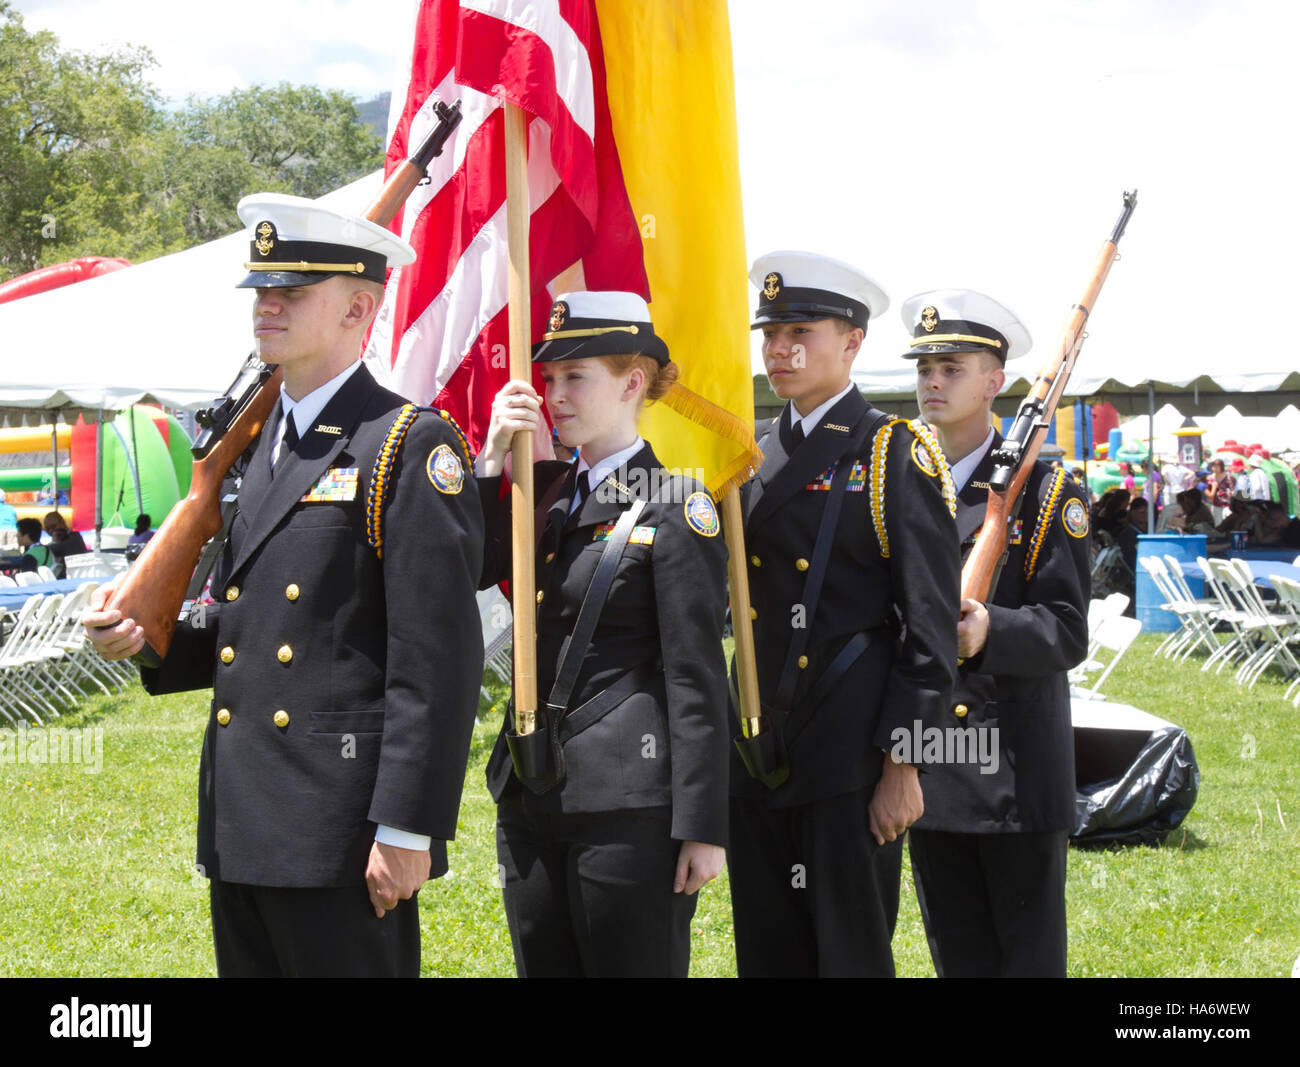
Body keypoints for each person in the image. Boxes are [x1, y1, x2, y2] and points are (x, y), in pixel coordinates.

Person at [82, 192, 485, 977]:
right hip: (246, 821)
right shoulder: (258, 449)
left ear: (358, 308)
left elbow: (435, 658)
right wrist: (147, 634)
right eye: (262, 289)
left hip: (338, 834)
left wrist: (408, 828)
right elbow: (249, 617)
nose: (267, 305)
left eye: (292, 292)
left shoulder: (406, 443)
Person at [474, 290, 729, 977]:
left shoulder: (677, 503)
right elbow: (468, 565)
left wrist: (704, 824)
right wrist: (492, 461)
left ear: (632, 383)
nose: (553, 394)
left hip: (628, 804)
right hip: (531, 791)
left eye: (575, 376)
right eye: (548, 377)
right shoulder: (546, 486)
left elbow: (696, 673)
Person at [726, 252, 960, 977]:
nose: (779, 349)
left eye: (801, 330)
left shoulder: (891, 451)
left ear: (853, 341)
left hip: (848, 753)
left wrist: (905, 762)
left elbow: (930, 625)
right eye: (770, 333)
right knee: (768, 950)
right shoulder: (748, 455)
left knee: (849, 953)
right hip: (760, 748)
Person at [900, 289, 1089, 978]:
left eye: (952, 367)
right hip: (930, 766)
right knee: (958, 959)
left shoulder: (1045, 487)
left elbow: (1067, 631)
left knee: (1025, 961)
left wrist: (990, 631)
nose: (933, 382)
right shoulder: (905, 481)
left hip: (1012, 771)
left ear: (994, 380)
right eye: (925, 368)